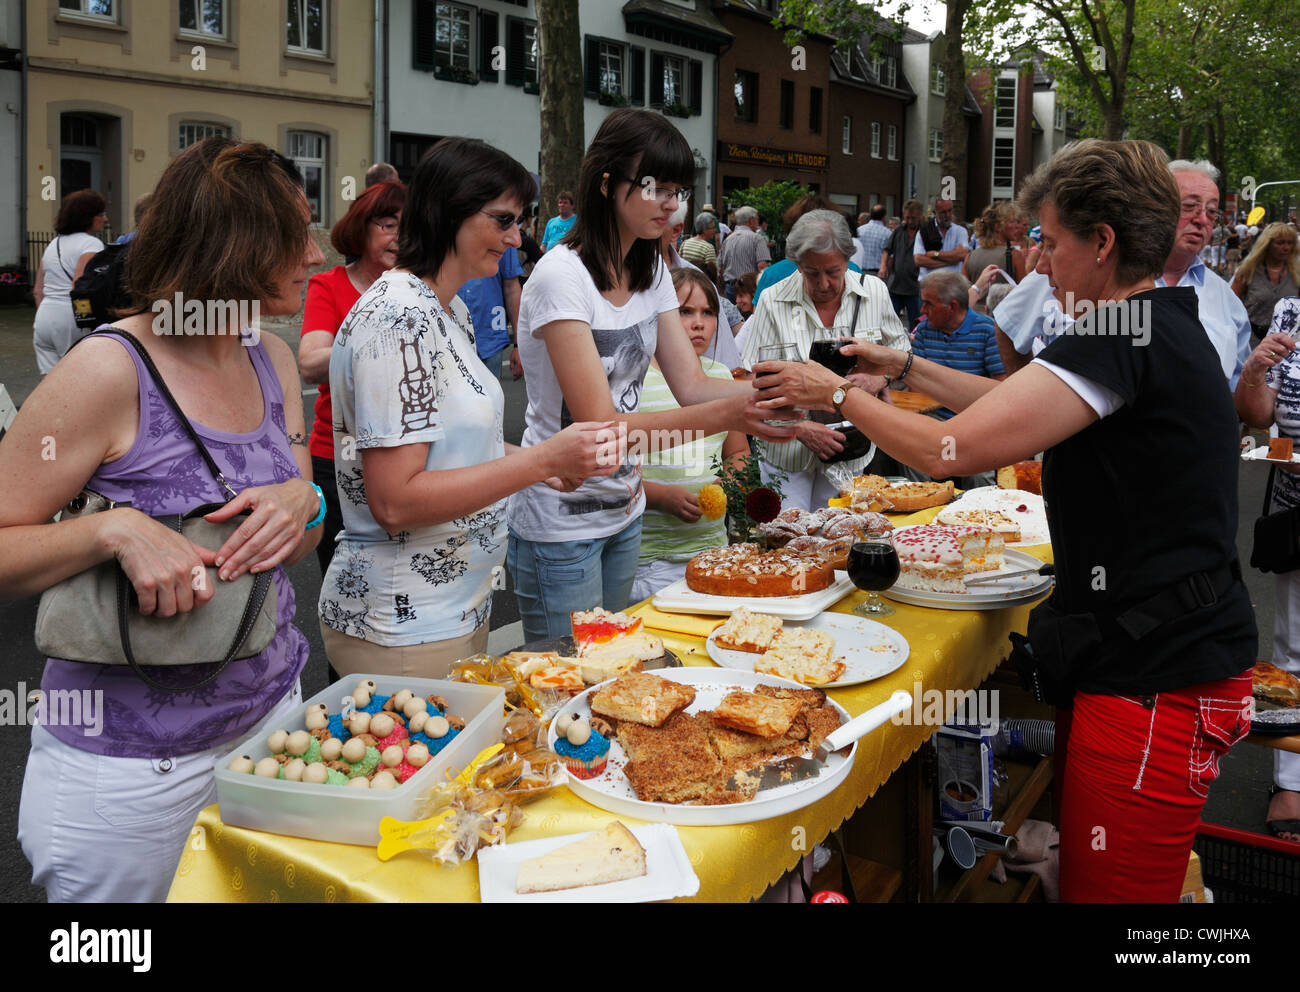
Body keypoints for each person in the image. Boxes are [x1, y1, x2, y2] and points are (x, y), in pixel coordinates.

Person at [755, 139, 1256, 902]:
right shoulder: (1152, 321)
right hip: (1164, 660)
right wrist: (905, 368)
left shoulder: (1121, 335)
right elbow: (1015, 407)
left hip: (1159, 678)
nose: (1040, 264)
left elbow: (947, 450)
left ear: (1102, 242)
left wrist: (838, 393)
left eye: (1049, 243)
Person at [4, 138, 328, 902]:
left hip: (272, 728)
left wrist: (302, 502)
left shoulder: (271, 361)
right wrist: (108, 530)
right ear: (234, 246)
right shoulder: (108, 370)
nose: (314, 253)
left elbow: (302, 533)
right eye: (296, 233)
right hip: (127, 772)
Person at [322, 138, 617, 677]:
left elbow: (452, 444)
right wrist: (540, 462)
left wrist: (545, 468)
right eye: (502, 219)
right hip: (404, 621)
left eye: (520, 220)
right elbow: (395, 502)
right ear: (447, 212)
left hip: (452, 608)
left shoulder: (446, 307)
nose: (515, 238)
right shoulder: (399, 319)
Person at [506, 108, 795, 643]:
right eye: (655, 186)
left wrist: (780, 390)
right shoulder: (560, 276)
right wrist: (738, 409)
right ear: (607, 183)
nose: (671, 203)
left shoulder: (652, 268)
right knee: (566, 684)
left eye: (679, 190)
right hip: (562, 521)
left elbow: (692, 384)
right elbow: (601, 431)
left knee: (616, 671)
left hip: (625, 510)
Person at [994, 159, 1251, 391]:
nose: (1201, 219)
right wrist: (1030, 403)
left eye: (1211, 212)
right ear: (1154, 209)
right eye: (1190, 206)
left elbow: (1235, 393)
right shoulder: (1072, 270)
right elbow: (1009, 322)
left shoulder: (1227, 302)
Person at [741, 209, 910, 510]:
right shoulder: (773, 299)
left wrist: (879, 378)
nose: (823, 284)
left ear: (848, 259)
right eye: (811, 272)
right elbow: (749, 380)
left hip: (851, 444)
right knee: (790, 543)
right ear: (797, 265)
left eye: (832, 271)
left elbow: (901, 354)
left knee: (839, 540)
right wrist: (798, 428)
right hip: (787, 450)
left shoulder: (874, 292)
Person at [299, 180, 407, 575]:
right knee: (345, 576)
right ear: (361, 228)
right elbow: (310, 363)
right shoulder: (328, 285)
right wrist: (381, 345)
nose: (400, 237)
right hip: (338, 455)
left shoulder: (419, 290)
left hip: (406, 454)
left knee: (399, 574)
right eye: (388, 225)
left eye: (409, 227)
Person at [629, 268, 750, 602]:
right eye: (685, 311)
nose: (699, 323)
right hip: (647, 560)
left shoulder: (722, 376)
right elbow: (612, 465)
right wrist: (659, 496)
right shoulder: (637, 380)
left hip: (711, 552)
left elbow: (738, 452)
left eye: (708, 313)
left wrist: (727, 484)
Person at [1234, 295, 1300, 843]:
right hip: (1296, 513)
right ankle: (1292, 782)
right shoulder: (1290, 313)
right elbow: (1258, 415)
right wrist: (1255, 369)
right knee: (1294, 646)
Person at [32, 189, 107, 373]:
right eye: (101, 214)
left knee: (50, 383)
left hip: (44, 318)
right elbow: (80, 287)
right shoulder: (91, 245)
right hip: (72, 321)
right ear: (88, 217)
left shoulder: (53, 244)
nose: (105, 219)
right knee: (79, 380)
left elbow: (37, 291)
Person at [753, 194, 863, 305]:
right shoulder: (853, 271)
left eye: (832, 272)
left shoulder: (773, 274)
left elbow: (757, 316)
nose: (824, 285)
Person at [458, 238, 525, 381]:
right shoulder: (441, 224)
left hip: (490, 337)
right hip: (450, 337)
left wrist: (519, 345)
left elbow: (512, 287)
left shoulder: (502, 232)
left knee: (490, 401)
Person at [1232, 222, 1299, 342]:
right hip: (1251, 339)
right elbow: (1230, 305)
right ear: (1267, 244)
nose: (1286, 248)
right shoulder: (1248, 271)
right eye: (1280, 243)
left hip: (1287, 343)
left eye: (1290, 243)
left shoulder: (1297, 273)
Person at [965, 201, 1028, 292]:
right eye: (1012, 222)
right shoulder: (1015, 255)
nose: (1017, 226)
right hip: (1003, 305)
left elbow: (965, 292)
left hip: (974, 305)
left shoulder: (970, 256)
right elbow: (1023, 292)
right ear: (998, 227)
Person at [880, 198, 923, 327]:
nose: (910, 221)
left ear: (920, 216)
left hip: (915, 287)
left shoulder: (925, 231)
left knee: (916, 324)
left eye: (913, 218)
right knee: (888, 322)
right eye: (907, 218)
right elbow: (887, 250)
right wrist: (883, 266)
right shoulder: (899, 230)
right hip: (896, 285)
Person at [718, 205, 771, 300]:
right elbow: (762, 266)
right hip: (749, 289)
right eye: (757, 220)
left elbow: (720, 268)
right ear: (751, 220)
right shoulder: (757, 238)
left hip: (730, 288)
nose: (758, 223)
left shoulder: (727, 240)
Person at [913, 197, 970, 282]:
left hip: (953, 285)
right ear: (934, 212)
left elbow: (963, 255)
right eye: (943, 212)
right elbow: (919, 260)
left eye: (950, 210)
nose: (948, 215)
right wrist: (952, 260)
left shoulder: (960, 231)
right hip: (930, 285)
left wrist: (935, 254)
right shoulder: (923, 231)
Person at [856, 203, 892, 276]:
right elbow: (890, 256)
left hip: (859, 272)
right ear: (884, 217)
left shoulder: (859, 230)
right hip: (878, 273)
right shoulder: (887, 233)